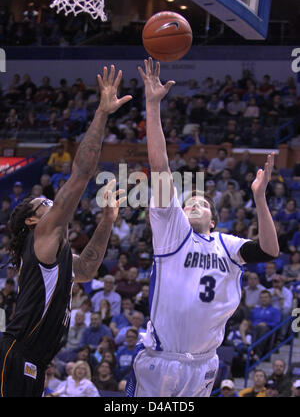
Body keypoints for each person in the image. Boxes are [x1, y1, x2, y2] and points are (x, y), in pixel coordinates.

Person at [125, 58, 280, 398]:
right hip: (159, 359)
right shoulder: (172, 230)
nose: (195, 203)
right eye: (189, 201)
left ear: (213, 221)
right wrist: (152, 105)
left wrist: (259, 198)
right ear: (178, 212)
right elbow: (159, 164)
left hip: (204, 364)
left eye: (204, 204)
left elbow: (269, 250)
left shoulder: (227, 245)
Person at [0, 64, 131, 397]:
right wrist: (102, 114)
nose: (52, 205)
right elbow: (82, 172)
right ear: (32, 221)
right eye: (43, 204)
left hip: (36, 361)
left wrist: (106, 222)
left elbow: (86, 270)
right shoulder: (41, 237)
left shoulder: (56, 256)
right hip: (15, 354)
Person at [250, 290, 281, 357]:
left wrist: (266, 324)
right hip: (253, 328)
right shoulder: (255, 310)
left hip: (267, 330)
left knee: (262, 328)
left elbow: (276, 324)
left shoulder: (275, 310)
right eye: (261, 297)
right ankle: (247, 351)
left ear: (270, 298)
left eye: (266, 297)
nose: (263, 299)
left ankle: (257, 354)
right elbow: (250, 321)